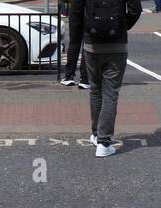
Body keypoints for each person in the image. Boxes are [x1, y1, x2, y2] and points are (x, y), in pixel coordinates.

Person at [78, 0, 143, 156]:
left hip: (91, 43)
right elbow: (136, 9)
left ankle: (95, 134)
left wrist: (89, 26)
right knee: (110, 93)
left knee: (95, 90)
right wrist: (122, 25)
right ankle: (104, 142)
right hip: (117, 43)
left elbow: (77, 9)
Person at [60, 0, 91, 87]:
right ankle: (85, 79)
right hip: (89, 10)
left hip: (75, 8)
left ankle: (69, 76)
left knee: (74, 43)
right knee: (87, 44)